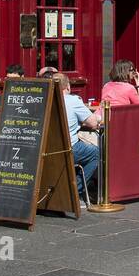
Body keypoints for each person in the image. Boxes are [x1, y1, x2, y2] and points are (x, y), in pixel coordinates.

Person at [54, 73, 101, 206]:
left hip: (46, 149)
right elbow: (93, 123)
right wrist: (96, 118)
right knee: (96, 153)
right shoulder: (72, 100)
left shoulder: (42, 100)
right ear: (67, 86)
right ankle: (74, 190)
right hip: (68, 148)